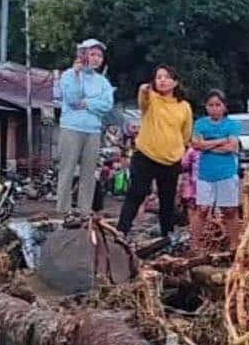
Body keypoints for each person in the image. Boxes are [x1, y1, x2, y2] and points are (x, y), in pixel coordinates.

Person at [117, 66, 193, 245]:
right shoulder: (151, 98)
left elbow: (186, 134)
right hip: (146, 155)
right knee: (136, 194)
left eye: (167, 77)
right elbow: (142, 100)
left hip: (171, 160)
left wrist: (178, 151)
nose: (162, 80)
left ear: (175, 82)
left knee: (167, 201)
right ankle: (121, 232)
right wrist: (143, 90)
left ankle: (168, 238)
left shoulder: (184, 107)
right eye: (159, 77)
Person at [54, 40, 115, 217]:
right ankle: (63, 209)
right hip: (71, 127)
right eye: (92, 54)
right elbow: (72, 100)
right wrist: (76, 73)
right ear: (83, 55)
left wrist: (87, 102)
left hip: (93, 130)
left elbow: (107, 105)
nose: (97, 59)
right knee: (67, 168)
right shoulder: (69, 75)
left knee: (89, 172)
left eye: (100, 56)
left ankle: (85, 209)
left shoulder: (103, 81)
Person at [191, 91, 245, 254]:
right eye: (211, 105)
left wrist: (208, 144)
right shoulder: (200, 123)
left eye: (218, 105)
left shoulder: (232, 124)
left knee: (229, 210)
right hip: (205, 173)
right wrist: (221, 140)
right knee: (202, 209)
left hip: (226, 172)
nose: (214, 109)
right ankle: (196, 245)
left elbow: (232, 147)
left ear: (224, 107)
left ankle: (234, 245)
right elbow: (196, 144)